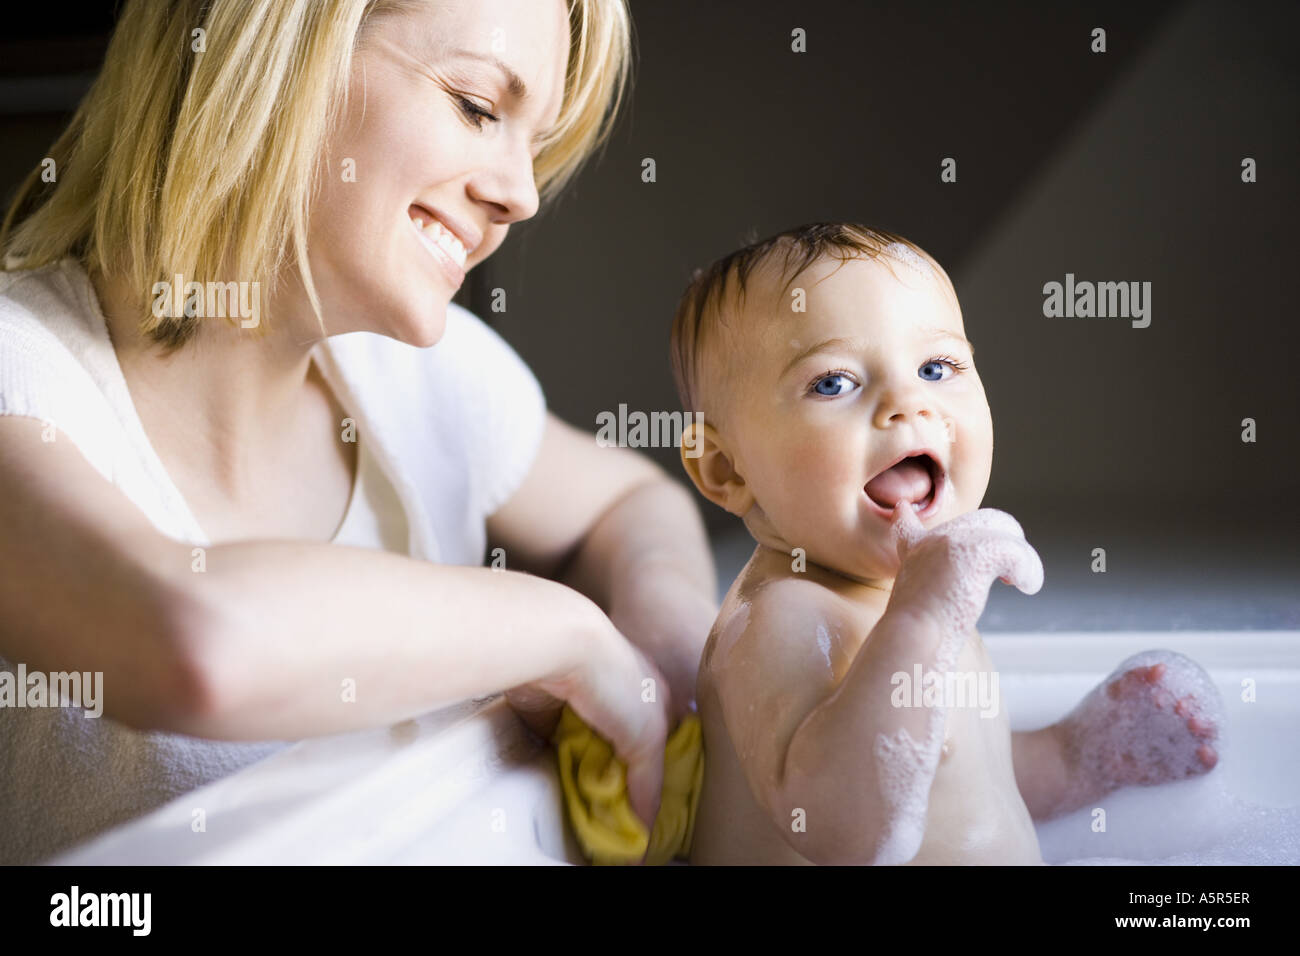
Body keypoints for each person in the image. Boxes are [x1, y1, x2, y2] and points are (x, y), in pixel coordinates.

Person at [0, 0, 716, 865]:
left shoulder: (415, 374)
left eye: (534, 143)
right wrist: (563, 633)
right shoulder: (24, 373)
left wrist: (669, 647)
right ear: (277, 47)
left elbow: (630, 501)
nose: (522, 195)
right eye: (478, 107)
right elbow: (188, 643)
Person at [669, 222, 1223, 864]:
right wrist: (926, 611)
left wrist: (1081, 755)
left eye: (936, 368)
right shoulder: (780, 620)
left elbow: (960, 777)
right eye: (833, 383)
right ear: (726, 471)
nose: (908, 402)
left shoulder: (907, 601)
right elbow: (838, 827)